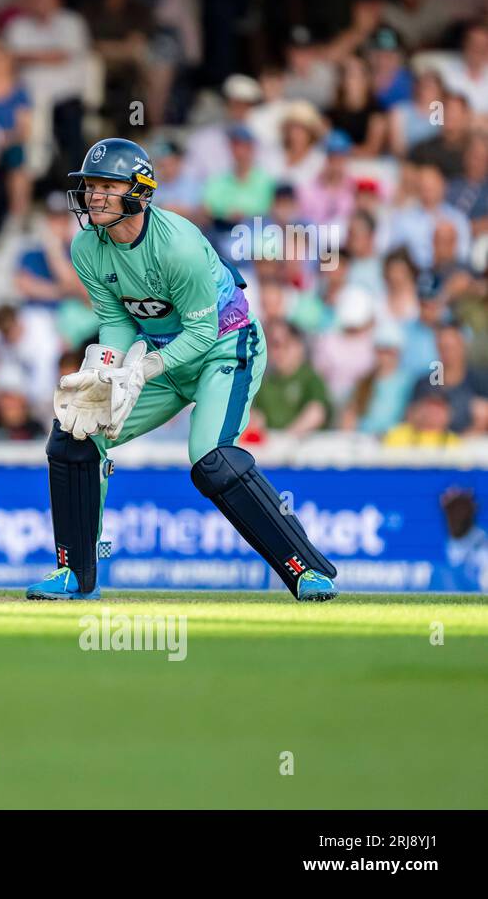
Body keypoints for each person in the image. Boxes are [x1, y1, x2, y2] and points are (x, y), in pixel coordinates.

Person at [29, 138, 338, 603]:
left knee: (211, 460)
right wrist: (107, 371)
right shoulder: (86, 248)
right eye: (90, 186)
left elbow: (201, 334)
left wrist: (142, 370)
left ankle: (306, 570)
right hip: (162, 358)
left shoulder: (178, 245)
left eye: (107, 186)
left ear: (140, 192)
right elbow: (115, 320)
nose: (94, 196)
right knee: (74, 435)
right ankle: (75, 574)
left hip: (225, 348)